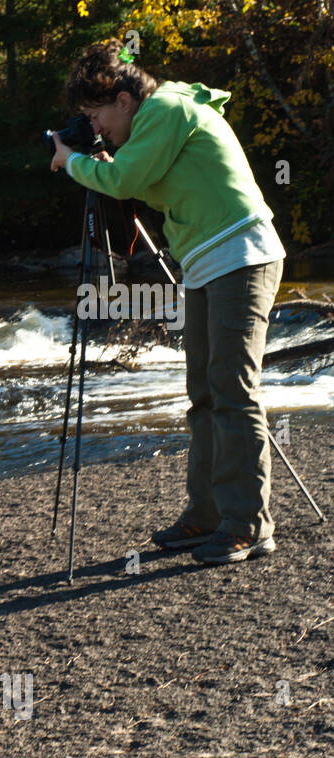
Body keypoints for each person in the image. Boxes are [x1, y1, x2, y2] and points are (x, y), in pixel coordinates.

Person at [50, 39, 286, 564]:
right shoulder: (156, 123)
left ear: (124, 99)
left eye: (96, 115)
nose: (95, 128)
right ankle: (207, 515)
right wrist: (101, 161)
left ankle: (249, 524)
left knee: (232, 389)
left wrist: (72, 163)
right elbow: (137, 179)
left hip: (241, 258)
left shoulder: (166, 108)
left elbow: (124, 180)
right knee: (204, 393)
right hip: (209, 264)